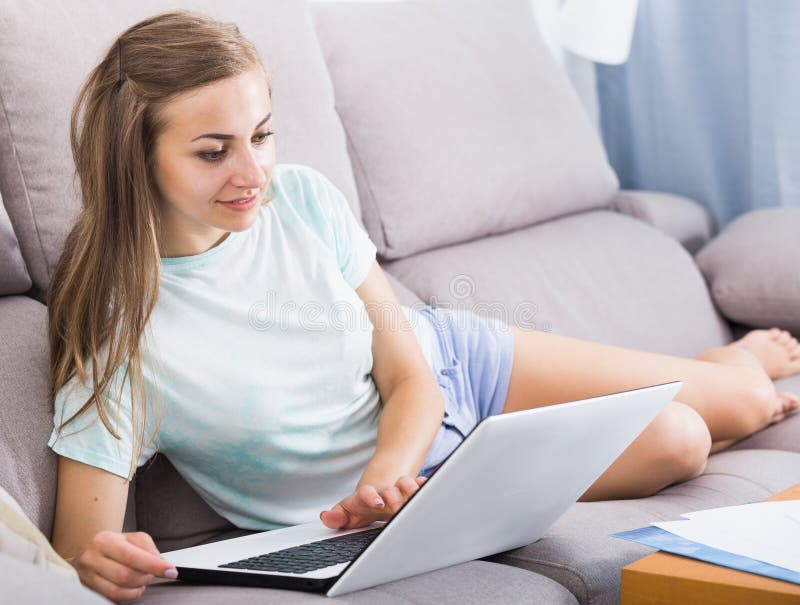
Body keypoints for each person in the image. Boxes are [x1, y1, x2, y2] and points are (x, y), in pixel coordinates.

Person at [46, 9, 800, 604]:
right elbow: (81, 545)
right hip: (423, 496)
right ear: (134, 157)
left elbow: (411, 372)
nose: (254, 171)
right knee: (680, 440)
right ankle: (699, 379)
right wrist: (103, 564)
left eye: (263, 135)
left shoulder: (302, 198)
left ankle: (723, 361)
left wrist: (385, 475)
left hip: (448, 373)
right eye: (214, 150)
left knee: (740, 399)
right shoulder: (120, 333)